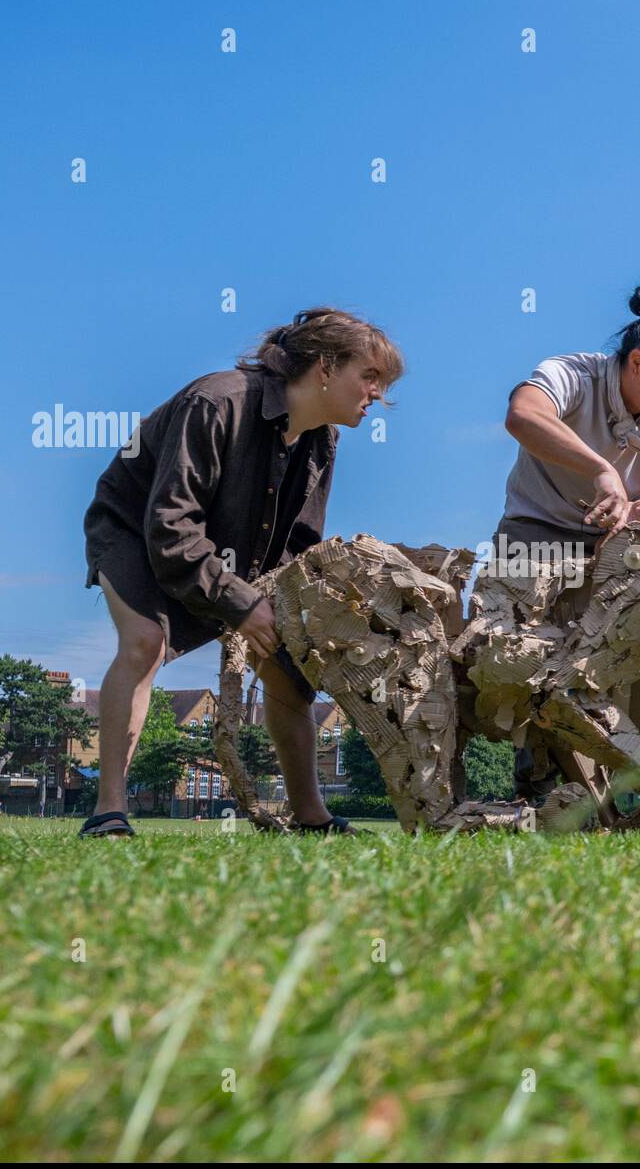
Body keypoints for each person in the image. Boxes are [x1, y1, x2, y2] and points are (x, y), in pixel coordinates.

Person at [78, 308, 403, 838]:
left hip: (234, 552)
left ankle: (310, 815)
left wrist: (295, 612)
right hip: (135, 529)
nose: (377, 396)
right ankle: (108, 812)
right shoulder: (216, 402)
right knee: (144, 641)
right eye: (368, 378)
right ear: (324, 367)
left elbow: (300, 541)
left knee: (288, 660)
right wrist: (241, 602)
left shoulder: (323, 438)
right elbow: (170, 527)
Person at [496, 285, 640, 805]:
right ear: (636, 362)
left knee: (611, 665)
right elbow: (521, 416)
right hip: (533, 530)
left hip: (613, 546)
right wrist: (601, 470)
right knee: (527, 662)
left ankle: (607, 789)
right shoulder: (574, 374)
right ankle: (536, 789)